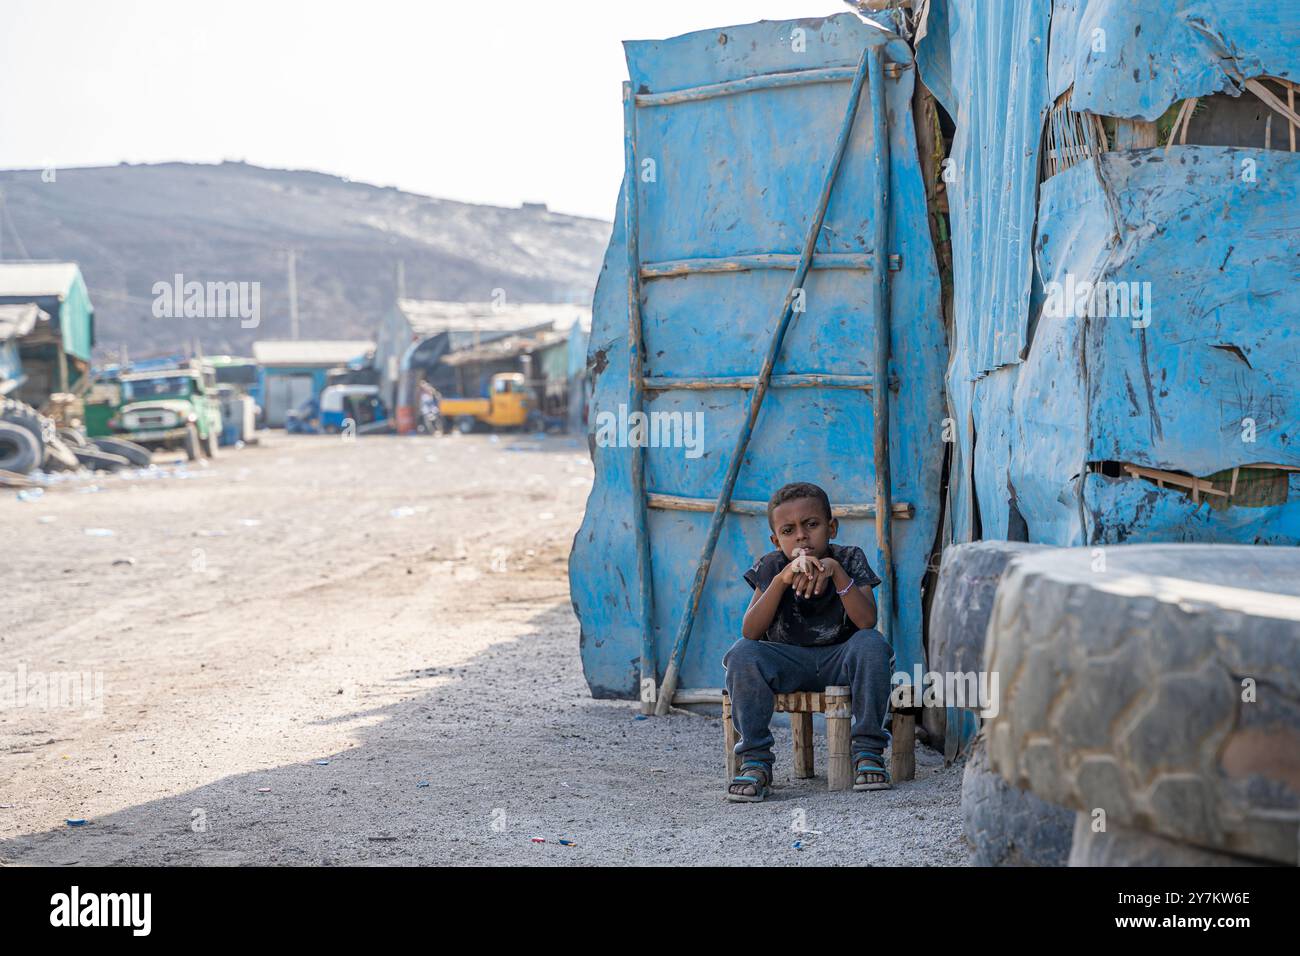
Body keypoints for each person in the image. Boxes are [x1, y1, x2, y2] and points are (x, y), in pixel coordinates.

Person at [724, 481, 894, 802]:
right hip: (787, 662)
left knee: (871, 643)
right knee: (742, 653)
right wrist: (780, 580)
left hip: (838, 661)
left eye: (811, 525)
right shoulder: (772, 565)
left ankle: (868, 752)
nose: (801, 536)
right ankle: (756, 760)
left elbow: (866, 621)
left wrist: (837, 573)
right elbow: (750, 631)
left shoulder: (849, 558)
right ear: (777, 540)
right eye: (788, 531)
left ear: (831, 527)